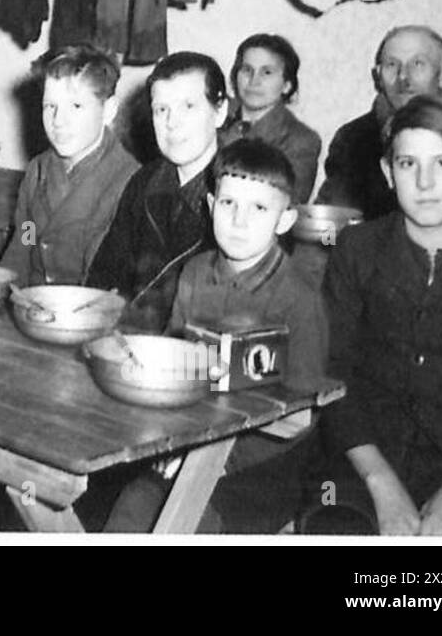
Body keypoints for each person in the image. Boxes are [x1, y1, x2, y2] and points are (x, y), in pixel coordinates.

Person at [305, 95, 442, 536]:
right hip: (365, 461)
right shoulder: (356, 251)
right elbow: (331, 372)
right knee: (330, 522)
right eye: (407, 164)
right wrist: (380, 481)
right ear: (387, 173)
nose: (424, 181)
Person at [104, 139, 329, 533]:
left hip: (266, 461)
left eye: (258, 208)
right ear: (210, 207)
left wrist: (213, 459)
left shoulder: (299, 297)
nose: (239, 221)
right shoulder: (193, 273)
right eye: (228, 204)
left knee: (191, 522)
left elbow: (299, 419)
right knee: (133, 504)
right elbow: (181, 371)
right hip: (194, 438)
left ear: (285, 221)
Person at [317, 25, 442, 241]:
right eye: (392, 65)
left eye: (418, 64)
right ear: (378, 75)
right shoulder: (352, 140)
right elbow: (334, 225)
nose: (403, 77)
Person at [84, 52, 229, 333]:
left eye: (188, 106)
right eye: (161, 109)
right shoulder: (145, 181)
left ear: (220, 110)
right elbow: (106, 272)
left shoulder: (241, 194)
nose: (172, 123)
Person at [0, 44, 139, 285]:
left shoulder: (130, 183)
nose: (58, 121)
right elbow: (26, 241)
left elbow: (111, 283)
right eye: (50, 106)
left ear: (108, 110)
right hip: (31, 306)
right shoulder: (37, 171)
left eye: (76, 106)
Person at [218, 33, 321, 204]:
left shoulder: (301, 141)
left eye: (266, 72)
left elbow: (286, 205)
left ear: (287, 85)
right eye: (247, 70)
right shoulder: (214, 119)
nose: (253, 81)